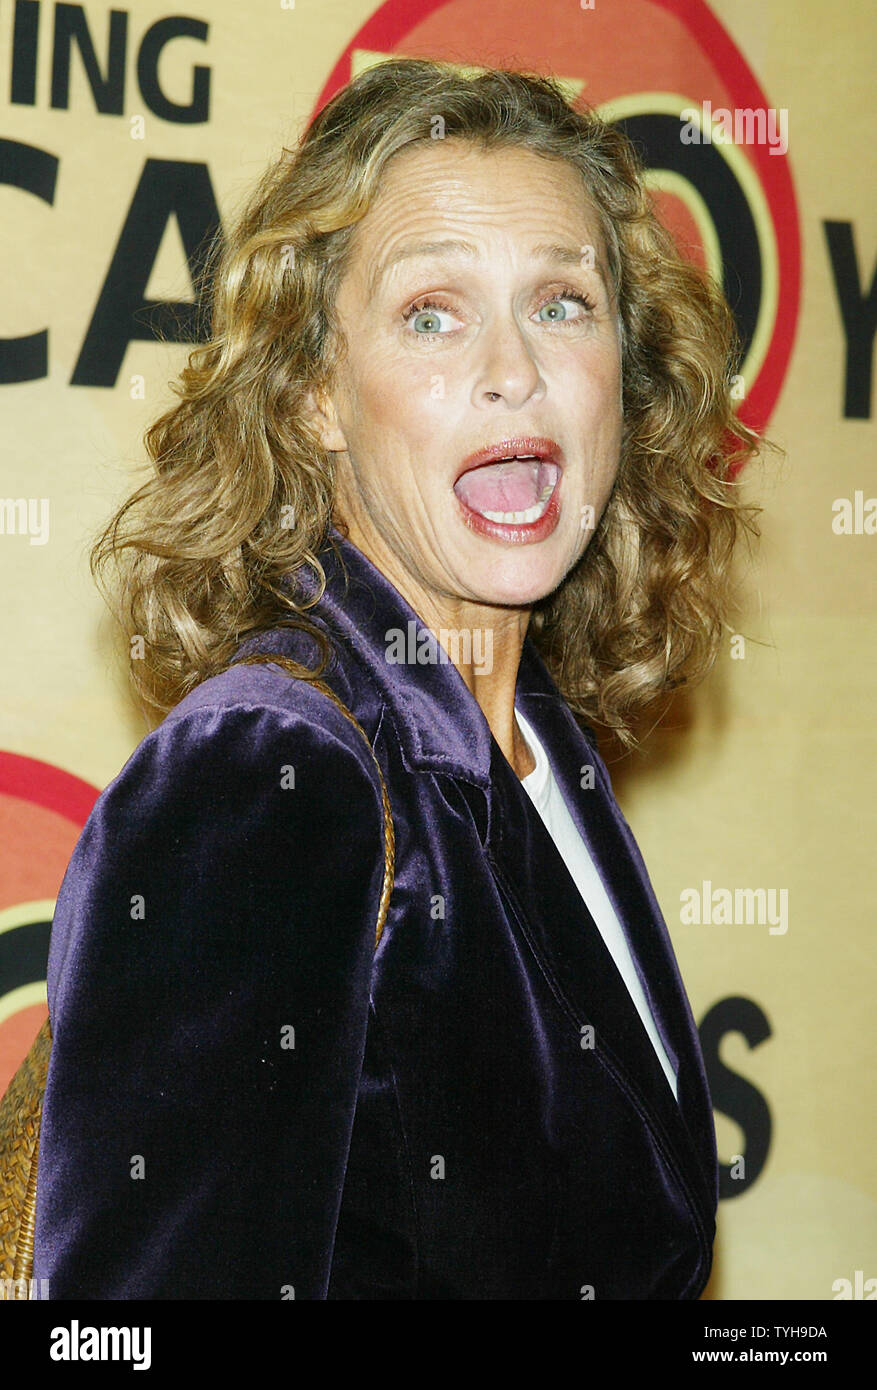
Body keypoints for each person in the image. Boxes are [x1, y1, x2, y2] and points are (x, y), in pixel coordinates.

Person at [33, 58, 761, 1300]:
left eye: (563, 305)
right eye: (432, 312)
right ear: (314, 394)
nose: (511, 370)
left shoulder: (540, 749)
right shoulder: (269, 771)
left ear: (624, 382)